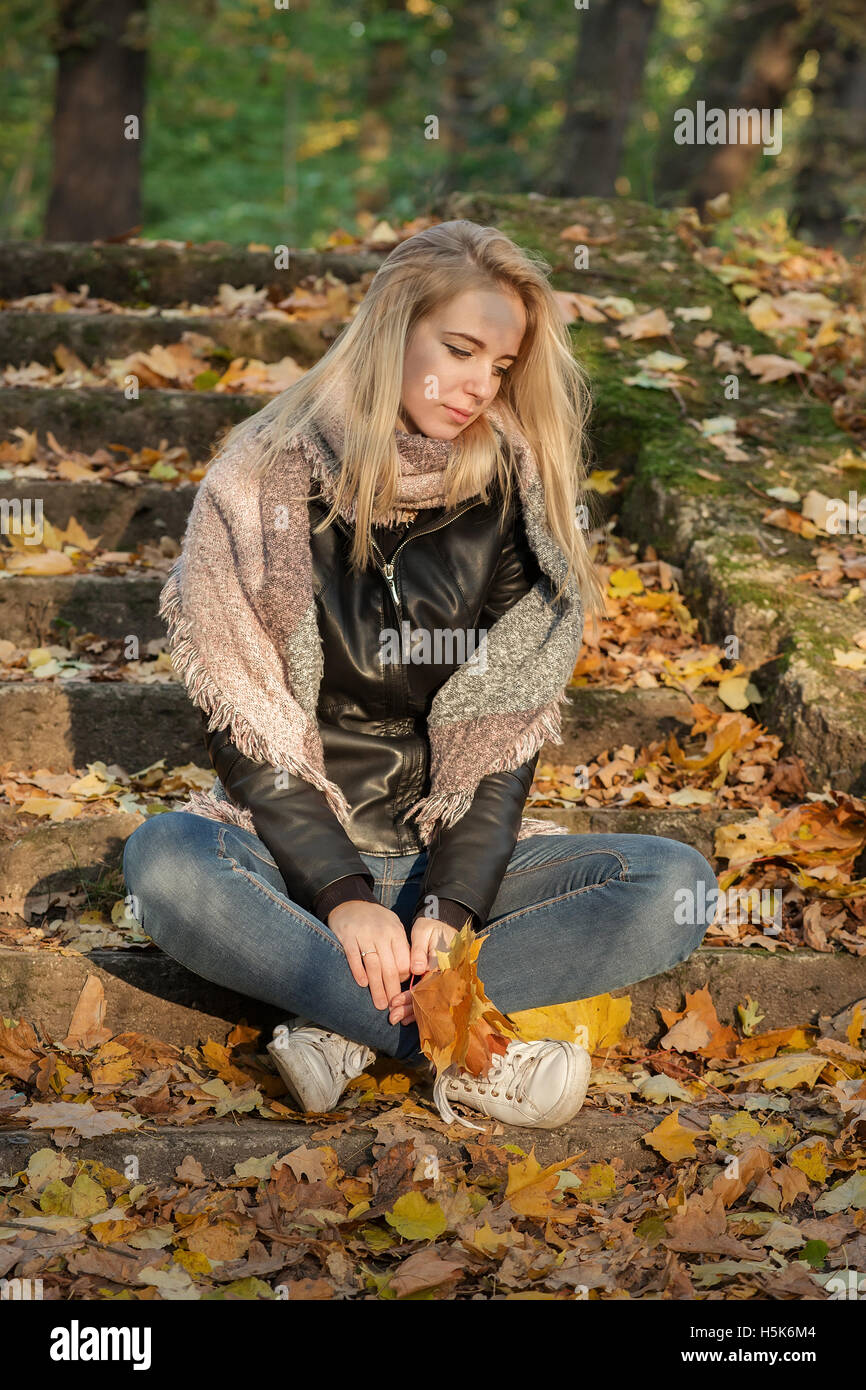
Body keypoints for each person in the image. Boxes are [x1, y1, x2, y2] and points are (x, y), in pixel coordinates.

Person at [122, 219, 718, 1132]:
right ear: (392, 330)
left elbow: (500, 736)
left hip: (448, 858)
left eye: (504, 363)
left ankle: (349, 1028)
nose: (483, 384)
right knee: (165, 863)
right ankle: (467, 1043)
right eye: (461, 348)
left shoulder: (514, 499)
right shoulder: (255, 486)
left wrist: (449, 902)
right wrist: (344, 896)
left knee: (674, 885)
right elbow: (246, 724)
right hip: (290, 858)